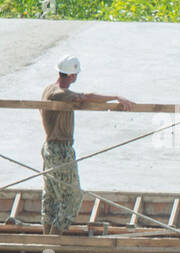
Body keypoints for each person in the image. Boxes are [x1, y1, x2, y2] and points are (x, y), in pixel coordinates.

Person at [38, 55, 134, 235]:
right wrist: (116, 97)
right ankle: (53, 238)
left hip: (50, 148)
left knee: (51, 196)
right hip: (61, 149)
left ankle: (47, 240)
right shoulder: (59, 93)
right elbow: (86, 97)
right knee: (73, 197)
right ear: (73, 76)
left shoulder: (48, 90)